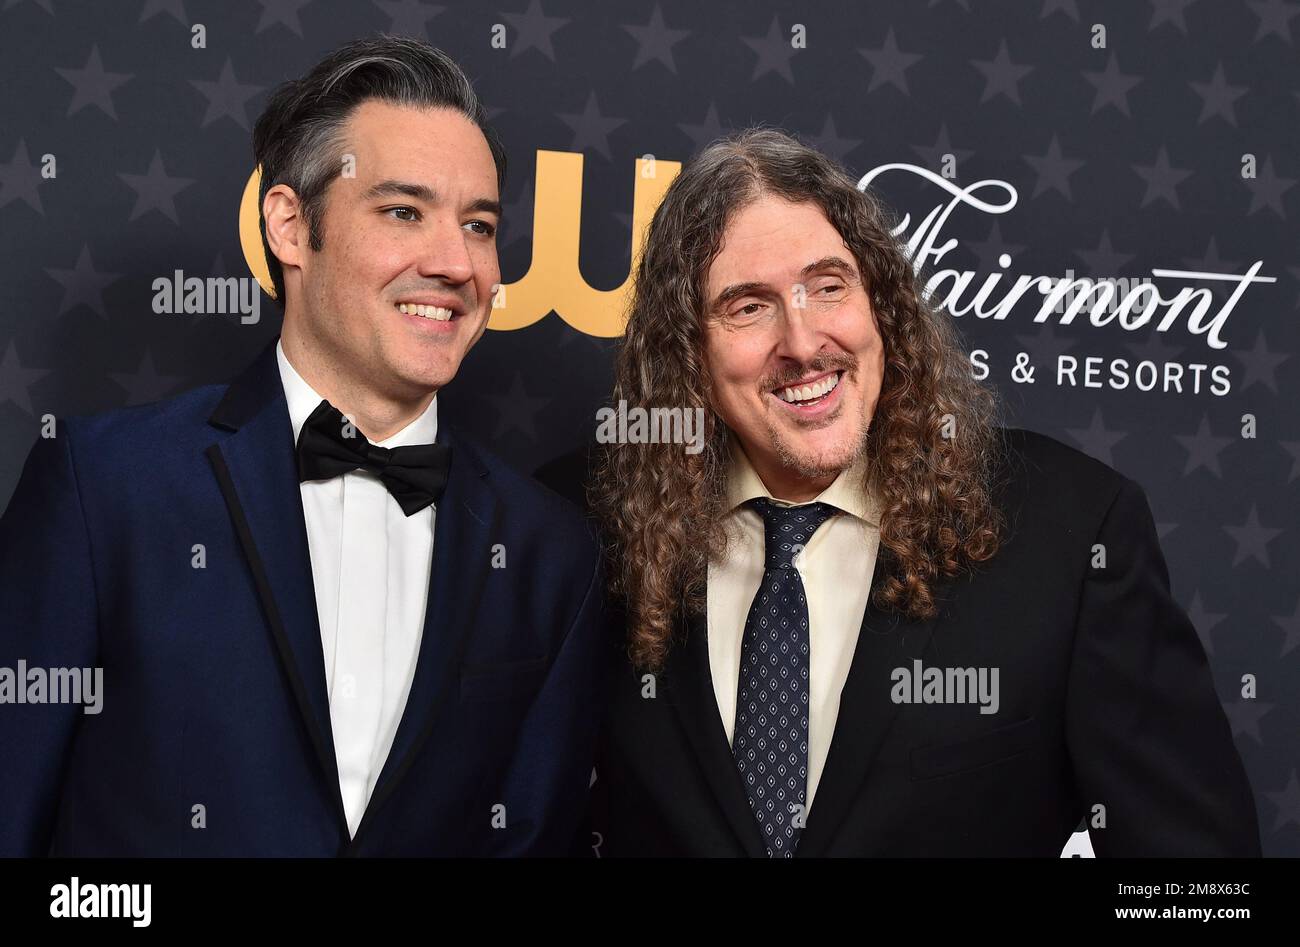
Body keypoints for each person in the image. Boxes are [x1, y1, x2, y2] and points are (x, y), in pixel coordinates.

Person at [0, 36, 605, 857]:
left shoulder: (549, 553)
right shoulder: (103, 488)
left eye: (480, 224)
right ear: (290, 225)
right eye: (404, 212)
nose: (455, 262)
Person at [587, 128, 1260, 857]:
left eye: (830, 285)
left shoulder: (1074, 535)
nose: (804, 341)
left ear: (883, 302)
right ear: (685, 348)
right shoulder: (583, 531)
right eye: (748, 307)